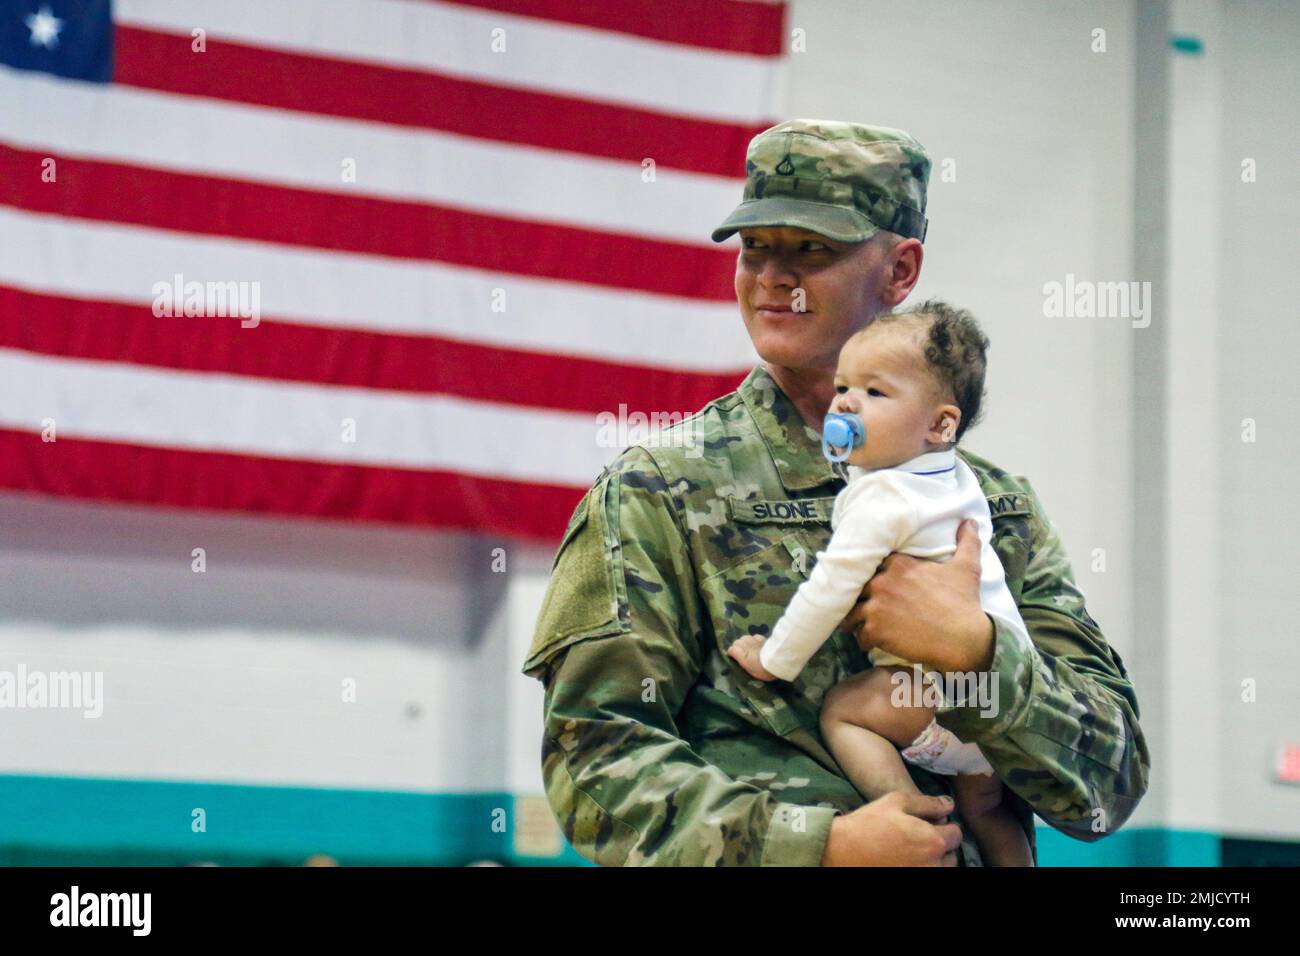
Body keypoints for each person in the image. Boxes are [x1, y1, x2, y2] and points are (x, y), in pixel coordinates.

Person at [521, 119, 1149, 866]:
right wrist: (822, 847)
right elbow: (594, 759)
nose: (772, 277)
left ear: (900, 270)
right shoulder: (660, 491)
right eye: (756, 247)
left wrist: (981, 656)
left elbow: (1110, 783)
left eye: (813, 249)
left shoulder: (995, 509)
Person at [726, 300, 1033, 866]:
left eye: (875, 392)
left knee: (843, 710)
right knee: (990, 811)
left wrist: (775, 658)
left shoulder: (883, 499)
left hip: (932, 694)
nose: (846, 402)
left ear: (941, 423)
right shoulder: (961, 479)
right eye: (844, 386)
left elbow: (829, 590)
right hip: (1001, 704)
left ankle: (915, 816)